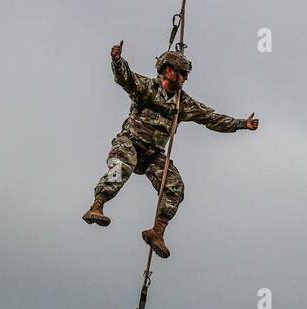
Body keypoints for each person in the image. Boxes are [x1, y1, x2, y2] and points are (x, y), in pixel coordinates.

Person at [82, 41, 260, 258]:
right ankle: (97, 205)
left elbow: (210, 118)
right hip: (130, 143)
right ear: (168, 71)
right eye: (181, 74)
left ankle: (157, 232)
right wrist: (117, 61)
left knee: (175, 186)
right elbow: (125, 78)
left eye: (185, 75)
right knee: (122, 166)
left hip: (153, 155)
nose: (184, 79)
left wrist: (241, 124)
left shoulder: (181, 103)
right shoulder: (146, 87)